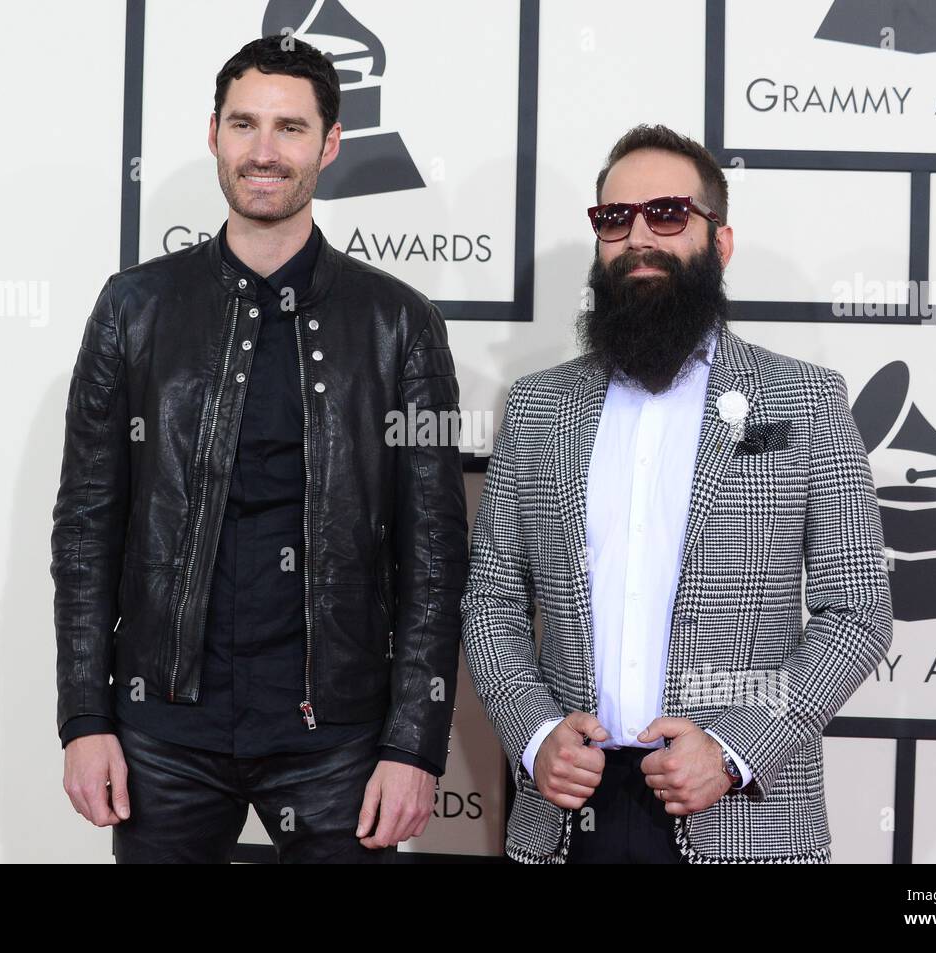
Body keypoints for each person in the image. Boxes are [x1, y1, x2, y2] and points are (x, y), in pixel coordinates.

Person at [52, 35, 468, 863]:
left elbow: (434, 552)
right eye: (244, 124)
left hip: (338, 738)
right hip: (162, 731)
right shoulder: (133, 308)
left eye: (289, 127)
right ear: (214, 135)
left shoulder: (398, 323)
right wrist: (84, 717)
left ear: (331, 142)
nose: (264, 151)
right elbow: (87, 527)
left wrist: (414, 744)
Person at [461, 123, 892, 863]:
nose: (638, 237)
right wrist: (534, 734)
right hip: (566, 813)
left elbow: (857, 612)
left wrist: (732, 751)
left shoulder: (807, 399)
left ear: (719, 243)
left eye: (667, 215)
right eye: (614, 219)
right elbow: (492, 598)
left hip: (741, 812)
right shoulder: (535, 408)